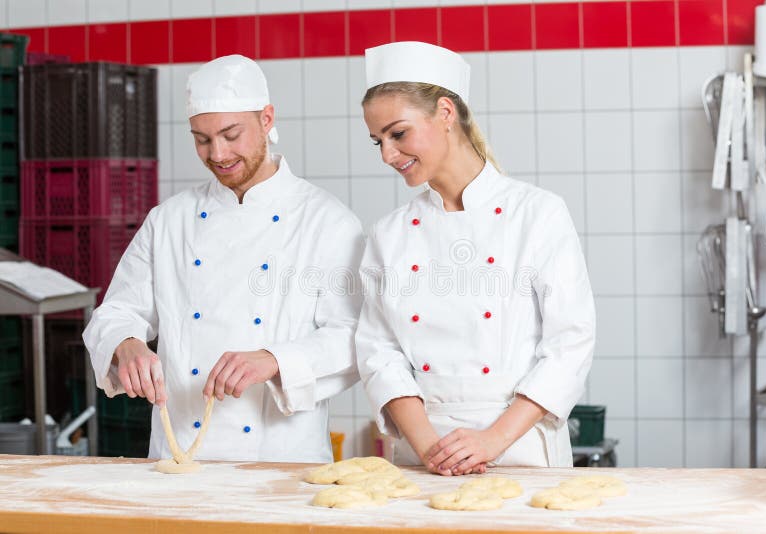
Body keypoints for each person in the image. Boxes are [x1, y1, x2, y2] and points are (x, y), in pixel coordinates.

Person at [83, 55, 364, 463]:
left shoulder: (327, 220)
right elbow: (116, 311)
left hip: (281, 462)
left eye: (232, 134)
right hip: (178, 456)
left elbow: (353, 336)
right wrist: (125, 344)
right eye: (202, 138)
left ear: (267, 119)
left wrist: (274, 359)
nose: (218, 153)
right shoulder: (169, 221)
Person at [355, 42, 595, 476]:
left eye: (398, 134)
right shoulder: (388, 234)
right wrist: (431, 448)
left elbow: (570, 343)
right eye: (378, 141)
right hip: (423, 459)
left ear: (445, 113)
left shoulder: (537, 214)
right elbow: (379, 353)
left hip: (521, 451)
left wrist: (492, 440)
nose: (388, 155)